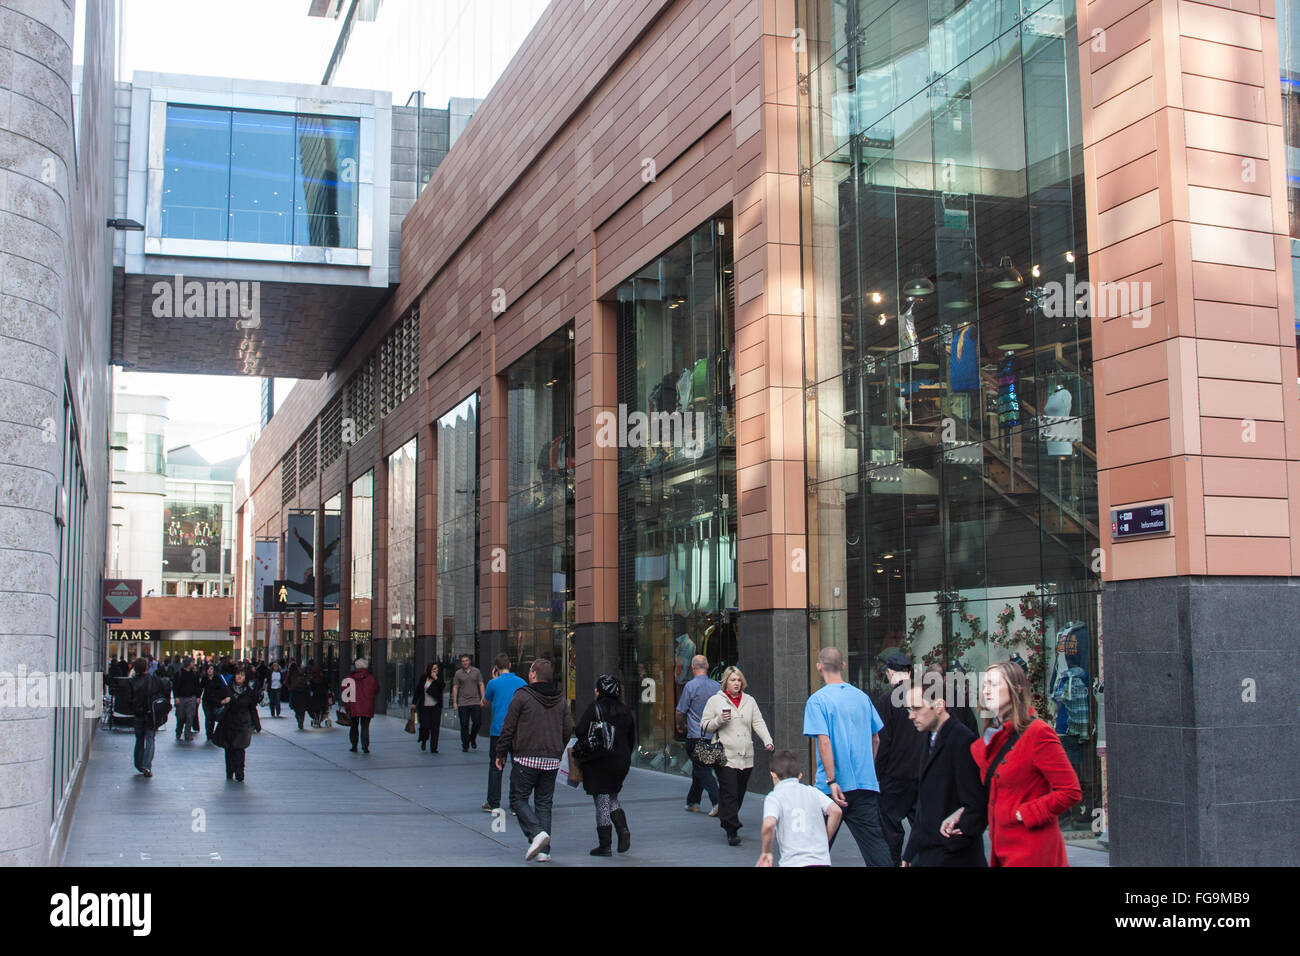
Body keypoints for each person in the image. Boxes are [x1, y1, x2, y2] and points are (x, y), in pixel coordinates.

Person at [960, 661, 1081, 866]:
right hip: (1003, 849)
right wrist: (960, 814)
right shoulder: (991, 740)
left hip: (1034, 849)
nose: (987, 690)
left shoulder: (1038, 733)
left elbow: (1070, 791)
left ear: (1016, 689)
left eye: (995, 684)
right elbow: (991, 794)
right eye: (985, 685)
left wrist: (1024, 813)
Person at [803, 646, 892, 866]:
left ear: (819, 667)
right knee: (876, 848)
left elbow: (824, 741)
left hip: (830, 789)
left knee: (815, 848)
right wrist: (866, 769)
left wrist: (832, 779)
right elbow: (876, 739)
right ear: (843, 666)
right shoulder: (862, 698)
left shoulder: (817, 700)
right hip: (864, 786)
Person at [901, 667, 988, 867]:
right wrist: (911, 852)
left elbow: (976, 805)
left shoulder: (962, 741)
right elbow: (924, 802)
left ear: (939, 706)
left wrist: (951, 842)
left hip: (953, 856)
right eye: (909, 709)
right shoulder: (928, 737)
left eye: (916, 708)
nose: (911, 716)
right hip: (931, 853)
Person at [494, 658, 573, 862]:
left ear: (534, 674)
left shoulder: (522, 696)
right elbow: (567, 729)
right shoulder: (560, 699)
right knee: (544, 803)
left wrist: (501, 753)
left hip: (526, 758)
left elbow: (508, 726)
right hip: (551, 760)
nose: (528, 673)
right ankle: (544, 852)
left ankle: (536, 833)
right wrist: (558, 749)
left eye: (530, 670)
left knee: (518, 798)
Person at [699, 665, 773, 846]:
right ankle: (732, 830)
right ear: (725, 682)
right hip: (725, 755)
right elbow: (704, 725)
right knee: (730, 791)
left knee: (738, 793)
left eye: (739, 680)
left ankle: (726, 816)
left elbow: (758, 722)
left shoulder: (749, 701)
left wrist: (767, 740)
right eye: (733, 680)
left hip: (746, 754)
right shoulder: (715, 701)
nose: (736, 683)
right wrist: (718, 720)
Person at [574, 674, 635, 856]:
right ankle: (622, 828)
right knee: (612, 795)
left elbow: (579, 730)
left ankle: (605, 844)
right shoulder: (625, 711)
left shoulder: (596, 708)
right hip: (621, 760)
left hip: (600, 759)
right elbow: (632, 738)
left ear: (600, 691)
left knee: (601, 799)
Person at [874, 652, 926, 866]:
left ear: (890, 672)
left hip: (895, 774)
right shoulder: (923, 695)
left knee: (890, 827)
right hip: (921, 771)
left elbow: (883, 740)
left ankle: (895, 862)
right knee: (922, 824)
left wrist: (877, 773)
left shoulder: (888, 700)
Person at [757, 749, 842, 867]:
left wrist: (766, 851)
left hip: (793, 862)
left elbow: (768, 824)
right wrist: (825, 838)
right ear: (800, 776)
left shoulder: (774, 797)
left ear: (773, 774)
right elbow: (836, 811)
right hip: (821, 861)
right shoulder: (813, 792)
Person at [675, 654, 720, 816]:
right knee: (699, 767)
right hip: (713, 735)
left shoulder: (690, 686)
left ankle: (717, 800)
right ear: (707, 666)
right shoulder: (717, 686)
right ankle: (693, 801)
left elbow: (680, 711)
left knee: (702, 768)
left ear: (693, 668)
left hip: (696, 734)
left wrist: (680, 725)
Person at [481, 654, 525, 811]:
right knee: (517, 766)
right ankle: (516, 804)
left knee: (496, 766)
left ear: (496, 668)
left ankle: (493, 802)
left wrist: (493, 679)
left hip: (498, 730)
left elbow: (484, 703)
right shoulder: (521, 682)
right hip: (516, 730)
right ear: (510, 665)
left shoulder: (493, 683)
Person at [214, 666, 262, 782]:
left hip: (242, 724)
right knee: (229, 749)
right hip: (228, 723)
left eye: (242, 675)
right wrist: (223, 701)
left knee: (239, 748)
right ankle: (229, 772)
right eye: (238, 674)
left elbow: (252, 708)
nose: (240, 677)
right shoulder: (227, 689)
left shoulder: (249, 692)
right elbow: (214, 699)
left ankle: (240, 772)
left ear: (245, 677)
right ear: (234, 676)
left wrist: (257, 724)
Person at [128, 658, 164, 776]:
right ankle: (147, 765)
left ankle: (138, 764)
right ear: (146, 668)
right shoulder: (152, 680)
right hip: (149, 713)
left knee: (139, 739)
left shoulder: (133, 681)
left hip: (138, 714)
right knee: (150, 739)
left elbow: (130, 698)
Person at [342, 657, 380, 753]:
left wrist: (347, 707)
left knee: (354, 726)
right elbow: (377, 690)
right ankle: (365, 745)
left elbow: (345, 695)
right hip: (367, 706)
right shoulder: (371, 678)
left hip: (354, 706)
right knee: (365, 726)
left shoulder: (349, 679)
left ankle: (354, 745)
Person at [451, 654, 485, 752]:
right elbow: (455, 687)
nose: (465, 662)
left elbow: (481, 684)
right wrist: (454, 702)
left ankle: (472, 738)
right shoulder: (458, 673)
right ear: (461, 662)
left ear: (470, 661)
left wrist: (483, 698)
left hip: (475, 701)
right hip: (463, 702)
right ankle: (465, 744)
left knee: (477, 722)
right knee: (464, 724)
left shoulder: (476, 671)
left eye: (466, 660)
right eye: (463, 661)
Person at [412, 662, 445, 754]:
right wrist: (414, 702)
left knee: (435, 728)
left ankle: (434, 747)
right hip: (424, 707)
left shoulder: (439, 678)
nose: (436, 670)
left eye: (437, 669)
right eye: (434, 669)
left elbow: (442, 687)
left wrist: (436, 678)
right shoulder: (423, 678)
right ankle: (423, 740)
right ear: (430, 669)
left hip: (435, 707)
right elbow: (418, 690)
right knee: (425, 726)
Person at [171, 656, 201, 742]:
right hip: (181, 698)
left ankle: (187, 733)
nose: (193, 664)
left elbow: (197, 686)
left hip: (191, 698)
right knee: (180, 717)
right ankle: (179, 730)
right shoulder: (179, 674)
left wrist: (198, 697)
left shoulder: (194, 674)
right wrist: (176, 697)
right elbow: (175, 686)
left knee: (190, 716)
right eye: (192, 662)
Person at [200, 663, 224, 743]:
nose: (210, 671)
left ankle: (212, 732)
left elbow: (221, 690)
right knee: (208, 716)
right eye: (208, 669)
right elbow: (200, 688)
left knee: (213, 717)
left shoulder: (217, 678)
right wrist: (198, 697)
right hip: (206, 701)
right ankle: (209, 734)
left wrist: (221, 700)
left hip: (215, 701)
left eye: (211, 669)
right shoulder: (204, 679)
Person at [288, 663, 311, 730]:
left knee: (297, 711)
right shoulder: (305, 683)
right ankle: (301, 721)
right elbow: (308, 693)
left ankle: (298, 718)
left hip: (296, 700)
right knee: (303, 712)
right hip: (303, 700)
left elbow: (292, 694)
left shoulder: (295, 684)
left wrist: (291, 703)